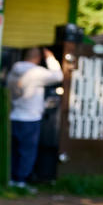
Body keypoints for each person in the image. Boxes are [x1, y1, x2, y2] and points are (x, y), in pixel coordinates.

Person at [7, 47, 65, 192]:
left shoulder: (14, 70)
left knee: (14, 151)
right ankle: (21, 181)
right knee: (27, 152)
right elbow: (59, 76)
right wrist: (51, 58)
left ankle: (12, 179)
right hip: (31, 117)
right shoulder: (36, 72)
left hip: (14, 115)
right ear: (38, 57)